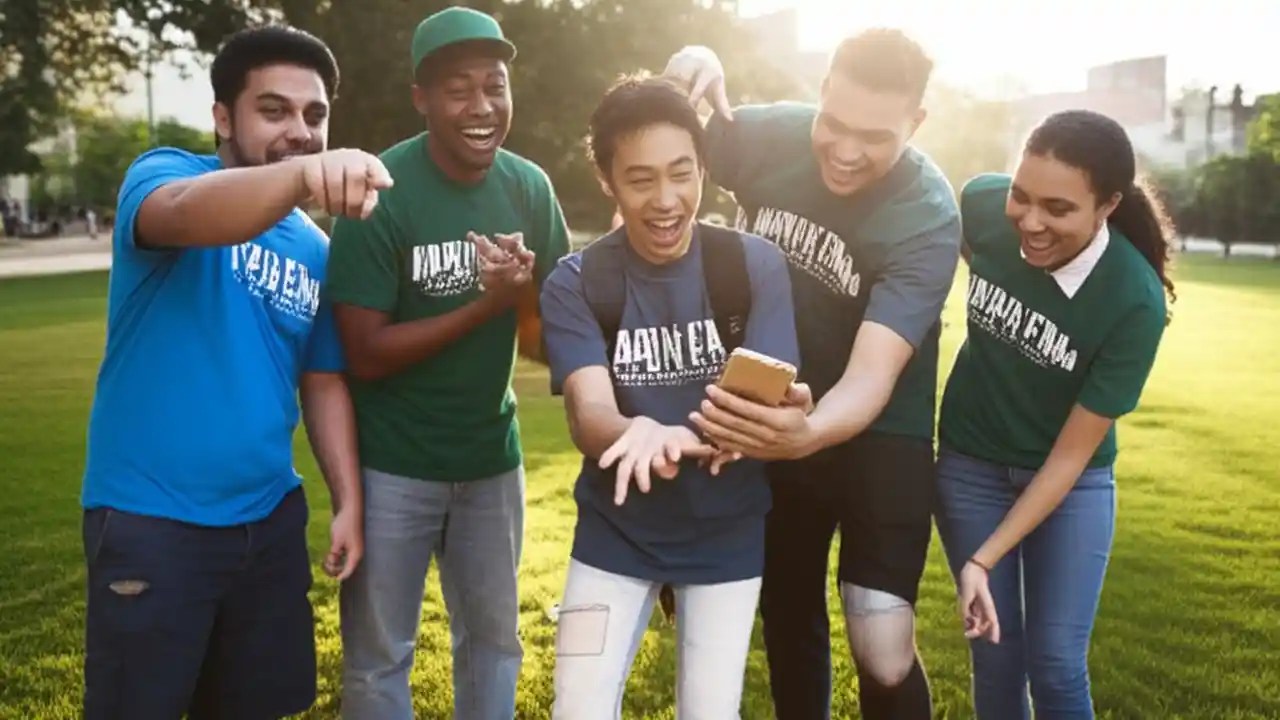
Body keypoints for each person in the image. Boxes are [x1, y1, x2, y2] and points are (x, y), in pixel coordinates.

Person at [80, 25, 388, 720]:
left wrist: (348, 500)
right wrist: (307, 176)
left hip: (267, 524)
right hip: (151, 520)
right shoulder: (165, 176)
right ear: (223, 117)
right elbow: (188, 216)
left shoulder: (314, 247)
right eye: (273, 111)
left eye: (314, 116)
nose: (300, 132)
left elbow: (323, 379)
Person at [664, 29, 961, 720]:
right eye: (835, 123)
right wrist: (696, 68)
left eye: (876, 136)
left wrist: (807, 433)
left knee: (880, 640)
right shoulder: (769, 136)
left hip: (878, 433)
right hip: (778, 410)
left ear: (916, 124)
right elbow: (656, 152)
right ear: (821, 91)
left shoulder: (925, 215)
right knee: (789, 608)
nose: (847, 150)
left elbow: (872, 375)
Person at [324, 7, 571, 719]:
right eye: (458, 88)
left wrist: (527, 300)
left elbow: (540, 343)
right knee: (379, 658)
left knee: (494, 642)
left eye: (495, 85)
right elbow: (365, 354)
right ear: (421, 98)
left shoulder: (528, 188)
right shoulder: (383, 193)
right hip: (394, 464)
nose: (482, 107)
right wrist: (485, 304)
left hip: (491, 459)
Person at [541, 73, 799, 719]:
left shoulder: (752, 266)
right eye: (640, 179)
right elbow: (589, 414)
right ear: (607, 181)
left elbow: (766, 402)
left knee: (710, 713)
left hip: (726, 536)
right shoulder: (577, 282)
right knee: (575, 709)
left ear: (704, 166)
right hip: (612, 535)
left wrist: (690, 433)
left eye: (682, 173)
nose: (666, 199)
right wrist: (639, 433)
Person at [934, 110, 1174, 720]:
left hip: (1071, 484)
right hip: (969, 469)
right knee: (995, 655)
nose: (1031, 222)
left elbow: (1072, 456)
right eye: (1022, 196)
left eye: (1058, 209)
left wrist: (985, 558)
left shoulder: (1134, 299)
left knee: (1058, 667)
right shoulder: (986, 207)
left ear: (1108, 205)